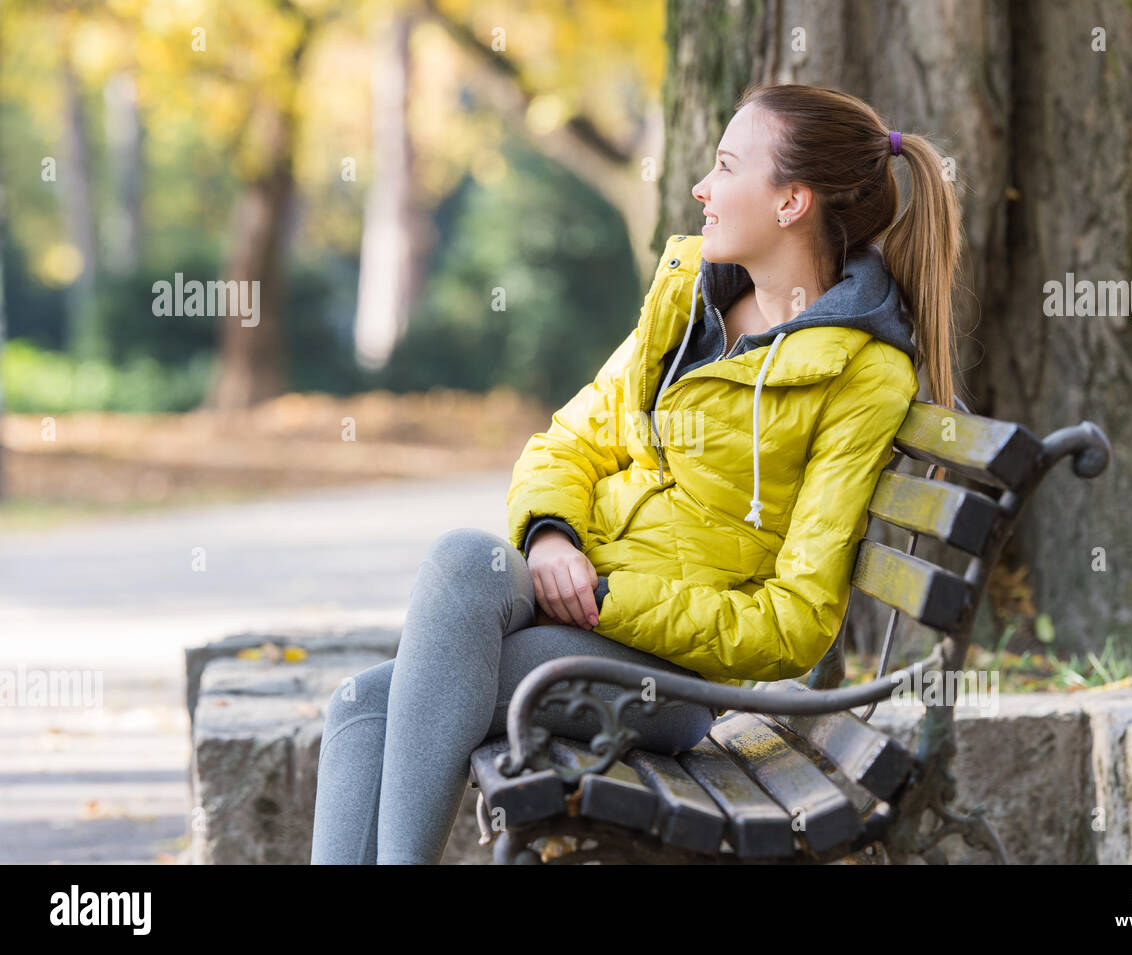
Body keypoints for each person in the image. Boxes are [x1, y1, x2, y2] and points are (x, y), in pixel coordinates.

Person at [310, 82, 964, 865]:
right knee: (435, 596)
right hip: (584, 600)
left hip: (670, 675)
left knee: (394, 703)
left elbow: (798, 620)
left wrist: (609, 602)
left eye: (725, 167)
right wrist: (552, 537)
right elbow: (570, 440)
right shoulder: (690, 304)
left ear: (791, 201)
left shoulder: (862, 374)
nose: (701, 188)